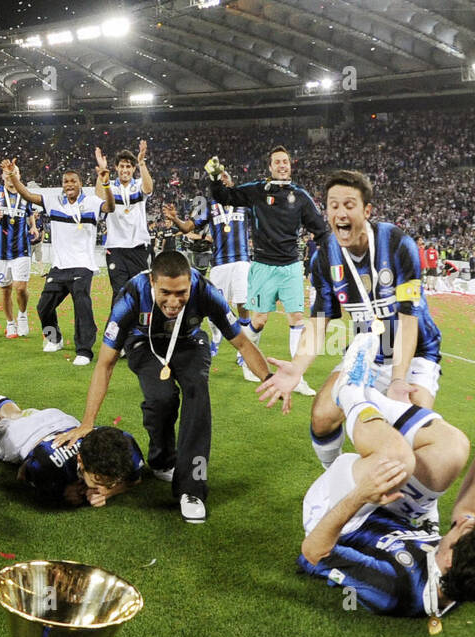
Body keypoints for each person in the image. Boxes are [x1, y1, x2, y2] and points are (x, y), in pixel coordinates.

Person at [294, 337, 475, 618]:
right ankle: (374, 397)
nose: (468, 519)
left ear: (448, 558)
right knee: (454, 448)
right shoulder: (464, 571)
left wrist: (361, 494)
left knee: (399, 461)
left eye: (465, 528)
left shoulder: (394, 589)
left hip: (337, 516)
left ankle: (350, 391)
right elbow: (466, 513)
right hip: (393, 510)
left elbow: (313, 552)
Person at [59, 249, 270, 523]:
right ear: (152, 283)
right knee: (161, 398)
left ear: (191, 283)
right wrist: (88, 422)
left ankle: (192, 490)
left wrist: (269, 379)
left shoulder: (206, 291)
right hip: (144, 344)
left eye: (181, 292)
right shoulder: (131, 294)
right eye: (165, 293)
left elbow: (242, 342)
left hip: (190, 343)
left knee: (197, 391)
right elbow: (105, 363)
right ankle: (161, 459)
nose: (173, 302)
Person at [258, 171, 444, 472]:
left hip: (416, 354)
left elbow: (408, 319)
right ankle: (335, 476)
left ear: (366, 211)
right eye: (333, 206)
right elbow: (319, 322)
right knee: (321, 417)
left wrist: (398, 380)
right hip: (367, 351)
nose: (340, 213)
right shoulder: (324, 258)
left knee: (414, 435)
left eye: (348, 205)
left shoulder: (397, 243)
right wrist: (297, 367)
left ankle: (424, 517)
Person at [205, 145, 328, 396]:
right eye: (277, 162)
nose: (282, 165)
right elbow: (225, 197)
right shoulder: (257, 190)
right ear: (270, 167)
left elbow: (321, 230)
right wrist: (215, 178)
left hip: (292, 266)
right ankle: (250, 365)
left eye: (286, 161)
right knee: (258, 320)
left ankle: (297, 376)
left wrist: (330, 255)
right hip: (263, 266)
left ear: (290, 165)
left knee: (296, 319)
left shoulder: (301, 196)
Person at [0, 380, 144, 507]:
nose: (107, 484)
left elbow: (134, 479)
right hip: (24, 437)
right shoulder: (49, 464)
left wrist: (109, 492)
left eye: (113, 480)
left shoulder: (125, 446)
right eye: (100, 480)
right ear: (80, 460)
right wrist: (61, 494)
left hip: (56, 419)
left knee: (17, 414)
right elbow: (23, 474)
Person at [1, 153, 114, 366]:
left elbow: (110, 207)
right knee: (44, 306)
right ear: (62, 185)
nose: (69, 184)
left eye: (73, 181)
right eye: (65, 181)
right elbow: (27, 195)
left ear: (81, 184)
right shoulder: (53, 201)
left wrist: (106, 185)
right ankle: (54, 338)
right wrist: (13, 177)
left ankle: (84, 350)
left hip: (82, 266)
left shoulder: (91, 202)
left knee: (82, 308)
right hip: (59, 267)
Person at [163, 169, 256, 381]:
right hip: (220, 264)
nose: (223, 180)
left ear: (231, 181)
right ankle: (216, 337)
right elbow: (188, 227)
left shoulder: (243, 202)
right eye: (219, 178)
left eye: (226, 177)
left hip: (242, 261)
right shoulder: (209, 206)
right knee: (214, 307)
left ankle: (242, 351)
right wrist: (176, 218)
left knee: (243, 304)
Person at [0, 165, 42, 338]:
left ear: (19, 175)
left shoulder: (25, 194)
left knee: (21, 288)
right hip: (0, 251)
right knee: (5, 290)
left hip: (21, 249)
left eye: (13, 172)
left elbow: (29, 213)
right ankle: (10, 323)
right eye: (7, 173)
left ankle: (22, 316)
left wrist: (34, 226)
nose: (10, 175)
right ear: (2, 175)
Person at [100, 141, 153, 309]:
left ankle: (141, 329)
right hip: (115, 248)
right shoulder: (110, 187)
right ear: (116, 167)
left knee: (141, 290)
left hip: (138, 246)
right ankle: (117, 330)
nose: (125, 170)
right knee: (119, 291)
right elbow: (98, 198)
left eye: (129, 166)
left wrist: (142, 162)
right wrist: (101, 174)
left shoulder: (138, 184)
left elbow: (149, 188)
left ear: (133, 169)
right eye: (122, 166)